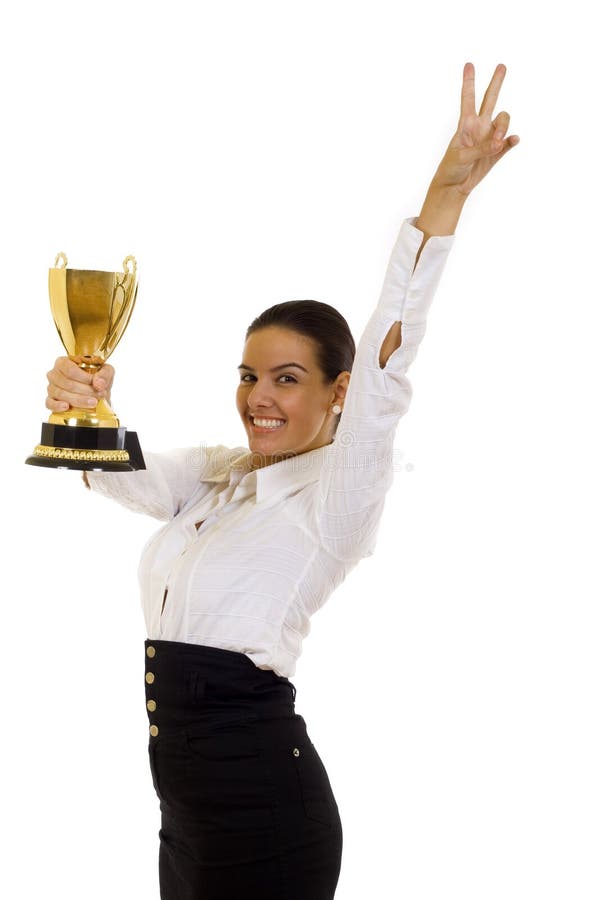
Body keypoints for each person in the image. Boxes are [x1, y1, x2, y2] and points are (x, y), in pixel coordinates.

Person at [45, 62, 518, 900]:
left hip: (265, 810)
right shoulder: (219, 478)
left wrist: (442, 201)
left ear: (339, 393)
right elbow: (122, 474)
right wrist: (83, 407)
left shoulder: (340, 491)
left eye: (288, 379)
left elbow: (389, 357)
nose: (259, 398)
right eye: (250, 375)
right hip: (185, 811)